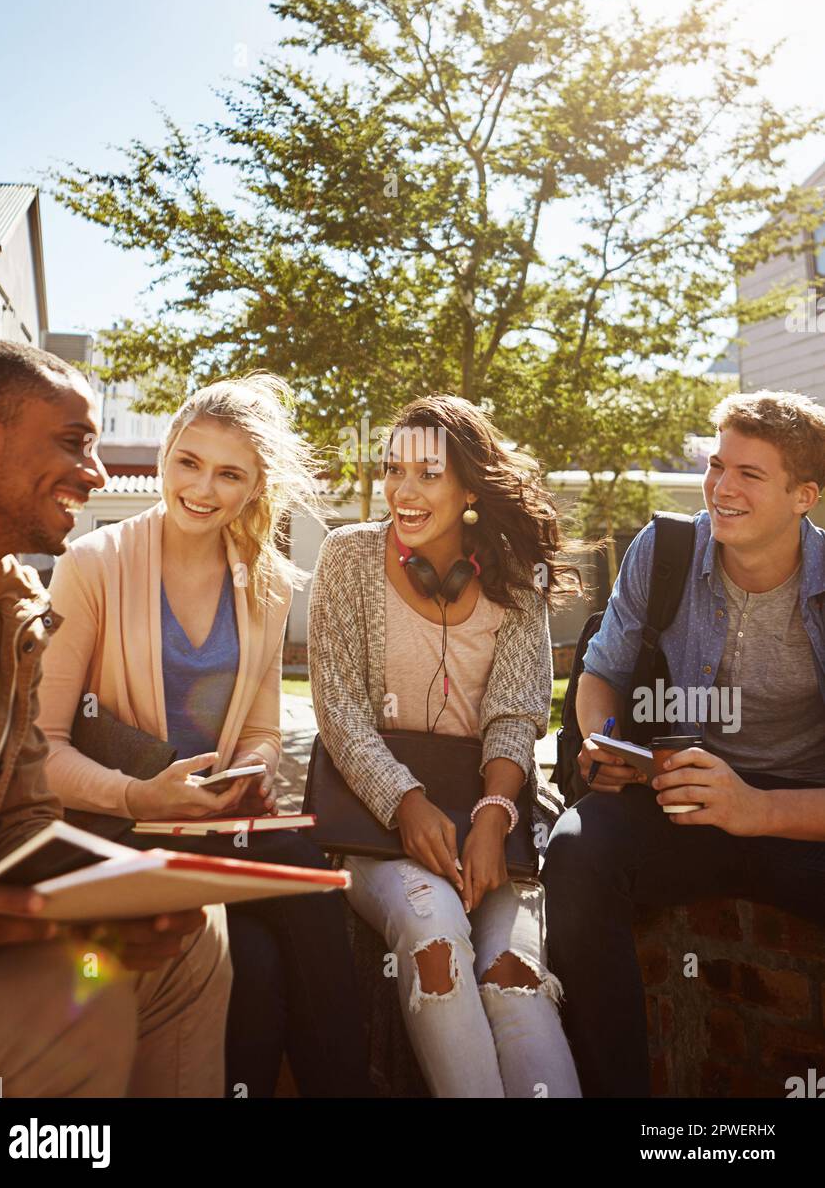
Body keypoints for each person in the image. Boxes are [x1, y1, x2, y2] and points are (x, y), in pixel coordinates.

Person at [37, 373, 371, 1098]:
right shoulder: (92, 566)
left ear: (254, 488)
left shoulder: (268, 583)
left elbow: (259, 731)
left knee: (253, 961)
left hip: (214, 829)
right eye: (188, 461)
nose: (201, 487)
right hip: (113, 832)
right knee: (307, 875)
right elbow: (40, 748)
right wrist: (142, 794)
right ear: (165, 456)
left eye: (228, 474)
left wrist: (243, 773)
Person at [0, 341, 230, 1097]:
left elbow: (21, 819)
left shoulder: (5, 613)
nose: (99, 473)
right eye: (75, 442)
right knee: (84, 1001)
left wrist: (119, 887)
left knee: (188, 937)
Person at [541, 389, 825, 1098]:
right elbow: (601, 671)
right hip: (681, 805)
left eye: (749, 475)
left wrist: (757, 809)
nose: (721, 488)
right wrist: (606, 743)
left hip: (796, 819)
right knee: (576, 850)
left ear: (805, 495)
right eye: (716, 465)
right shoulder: (666, 547)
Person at [309, 393, 584, 1098]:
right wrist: (406, 802)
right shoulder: (347, 558)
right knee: (434, 942)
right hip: (377, 824)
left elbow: (517, 714)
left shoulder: (516, 578)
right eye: (393, 469)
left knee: (513, 979)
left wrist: (492, 816)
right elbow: (338, 711)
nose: (403, 489)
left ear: (468, 487)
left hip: (493, 818)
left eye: (427, 474)